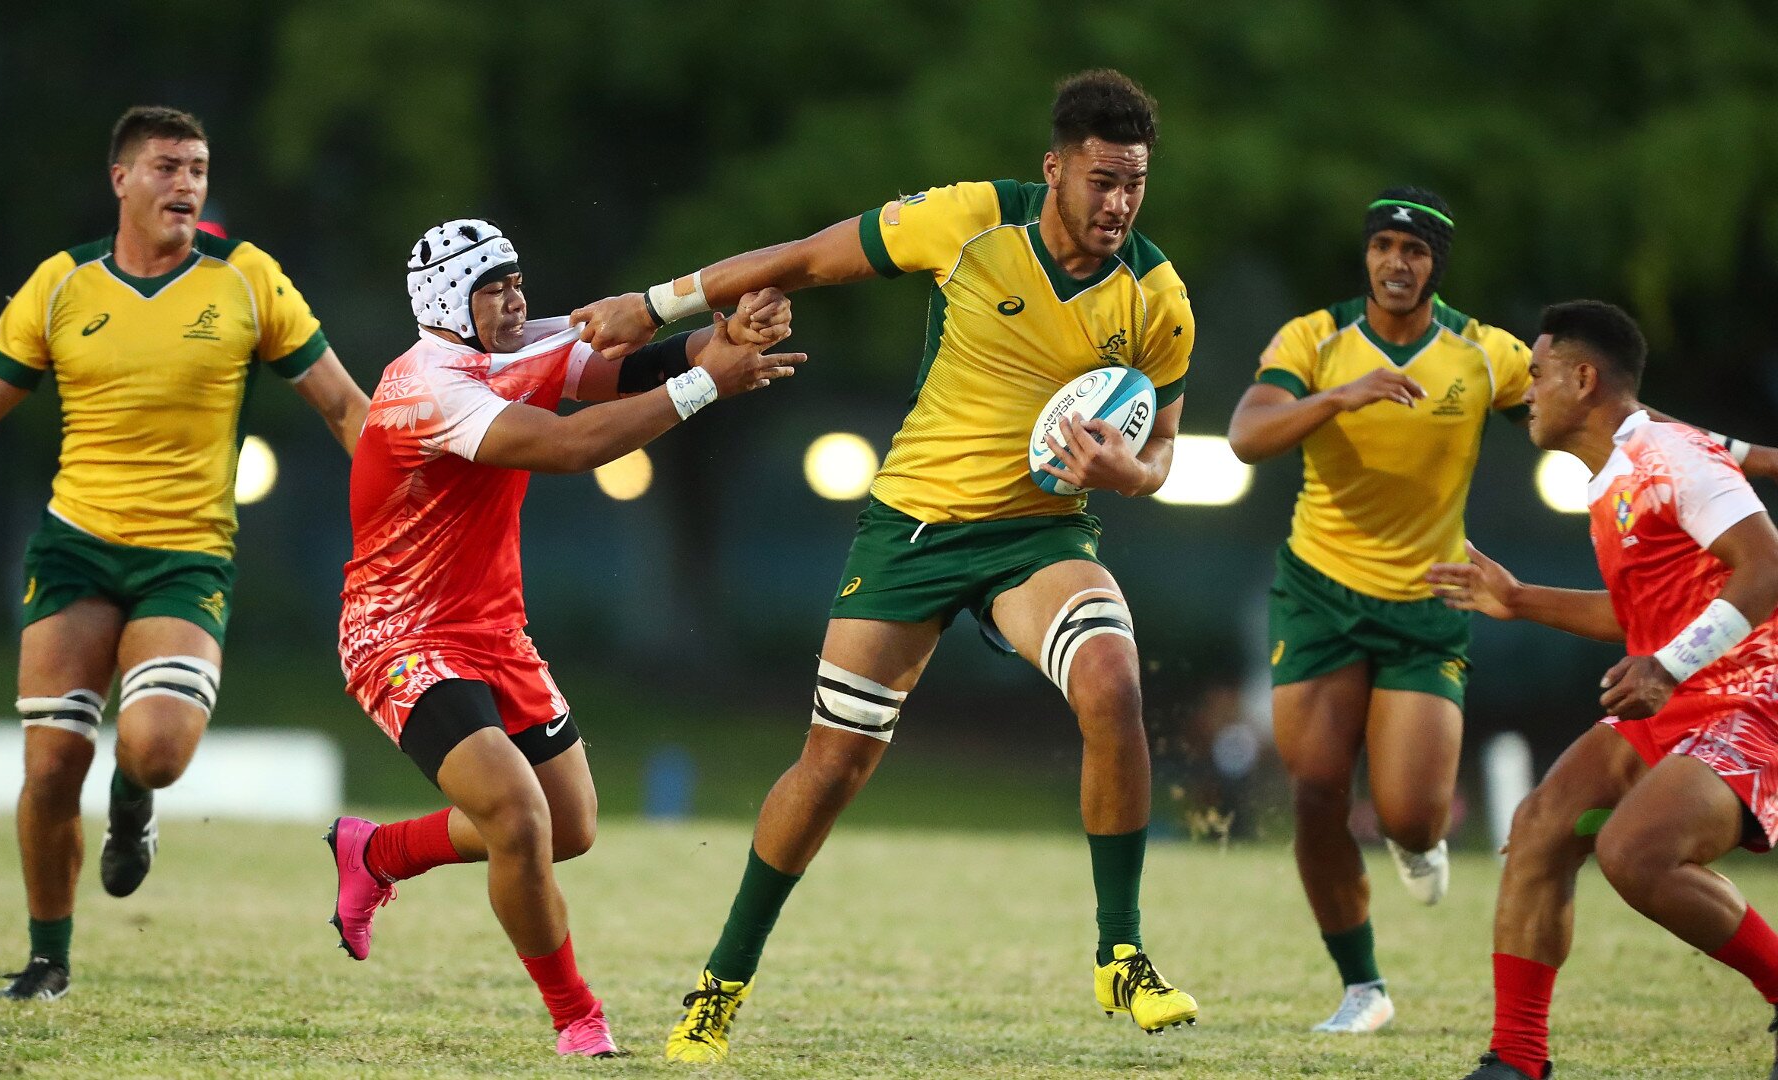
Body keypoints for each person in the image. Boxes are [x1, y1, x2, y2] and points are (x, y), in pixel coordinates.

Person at [571, 68, 1199, 1062]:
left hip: (1038, 540)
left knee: (1113, 679)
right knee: (832, 767)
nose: (1118, 202)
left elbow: (1162, 450)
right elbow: (808, 260)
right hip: (911, 530)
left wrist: (1132, 470)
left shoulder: (1158, 300)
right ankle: (720, 985)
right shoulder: (971, 223)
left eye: (1134, 184)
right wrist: (656, 308)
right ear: (1055, 170)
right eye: (1100, 180)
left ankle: (1121, 951)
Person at [1227, 192, 1778, 1034]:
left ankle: (1420, 847)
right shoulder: (1317, 338)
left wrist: (1753, 459)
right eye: (1381, 245)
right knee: (1495, 819)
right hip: (1322, 591)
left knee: (1587, 846)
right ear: (1366, 255)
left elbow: (1645, 430)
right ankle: (1461, 1031)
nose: (1395, 262)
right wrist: (1518, 598)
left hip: (1481, 613)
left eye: (1413, 250)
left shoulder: (1521, 373)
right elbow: (1247, 435)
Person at [0, 106, 369, 1001]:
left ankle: (135, 803)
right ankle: (47, 959)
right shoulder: (63, 286)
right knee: (52, 762)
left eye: (199, 168)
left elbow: (344, 408)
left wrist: (400, 502)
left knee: (155, 750)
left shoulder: (247, 279)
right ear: (121, 180)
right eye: (167, 166)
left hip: (186, 557)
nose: (187, 184)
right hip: (75, 548)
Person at [325, 219, 802, 1058]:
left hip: (492, 631)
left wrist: (723, 338)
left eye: (516, 281)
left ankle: (380, 851)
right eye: (494, 288)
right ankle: (577, 1017)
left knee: (569, 827)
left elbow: (625, 370)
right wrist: (709, 385)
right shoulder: (424, 387)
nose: (516, 300)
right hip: (398, 633)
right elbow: (572, 446)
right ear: (445, 301)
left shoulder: (517, 345)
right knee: (515, 817)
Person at [1427, 300, 1778, 1080]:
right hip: (1684, 693)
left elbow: (1767, 565)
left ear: (1584, 379)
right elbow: (1638, 617)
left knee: (1635, 853)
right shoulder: (1617, 473)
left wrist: (1666, 667)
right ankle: (1516, 1059)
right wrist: (1518, 600)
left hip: (1751, 697)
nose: (1526, 390)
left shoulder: (1669, 455)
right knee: (1541, 827)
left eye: (1539, 371)